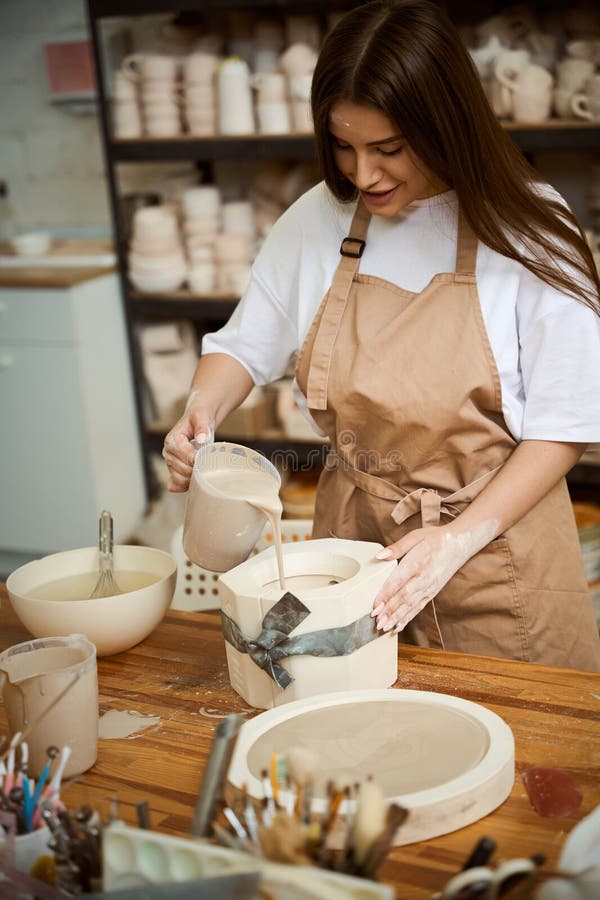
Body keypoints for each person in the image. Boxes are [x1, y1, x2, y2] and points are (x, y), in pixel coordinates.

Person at [163, 0, 600, 671]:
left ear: (445, 124)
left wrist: (454, 540)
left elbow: (566, 425)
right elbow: (243, 345)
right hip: (355, 554)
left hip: (493, 554)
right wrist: (203, 409)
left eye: (388, 149)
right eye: (343, 146)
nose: (362, 175)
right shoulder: (320, 217)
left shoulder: (529, 228)